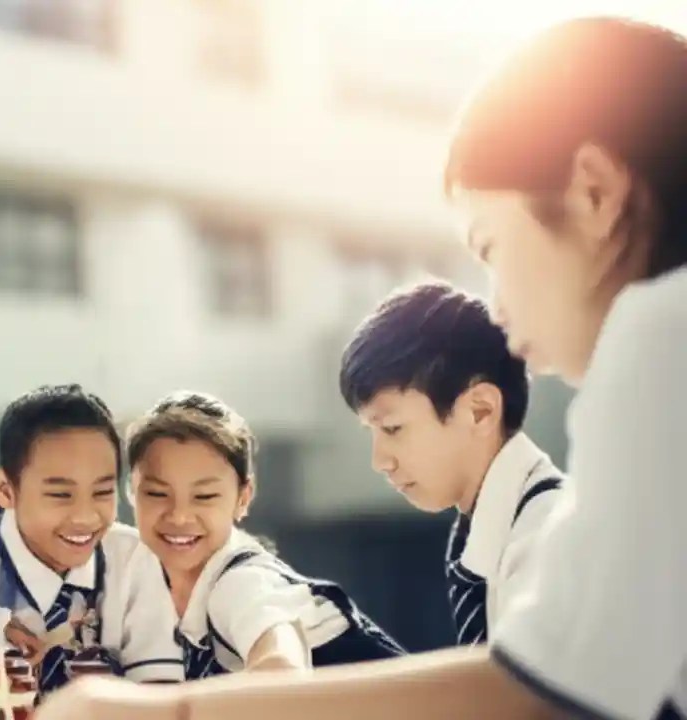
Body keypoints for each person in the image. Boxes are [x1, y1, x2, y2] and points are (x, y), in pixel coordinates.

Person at [35, 17, 687, 720]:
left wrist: (163, 713)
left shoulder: (658, 335)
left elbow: (545, 691)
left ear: (594, 193)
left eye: (492, 247)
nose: (496, 307)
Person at [0, 384, 182, 720]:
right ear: (5, 489)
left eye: (103, 492)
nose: (85, 517)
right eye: (60, 495)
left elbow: (163, 699)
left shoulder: (133, 558)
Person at [340, 281, 566, 644]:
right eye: (372, 432)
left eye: (393, 428)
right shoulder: (487, 534)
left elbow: (525, 697)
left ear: (480, 411)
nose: (379, 460)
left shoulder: (547, 538)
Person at [127, 391, 403, 678]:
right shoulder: (141, 583)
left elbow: (282, 669)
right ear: (131, 492)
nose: (179, 516)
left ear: (243, 498)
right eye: (157, 493)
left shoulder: (240, 583)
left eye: (204, 496)